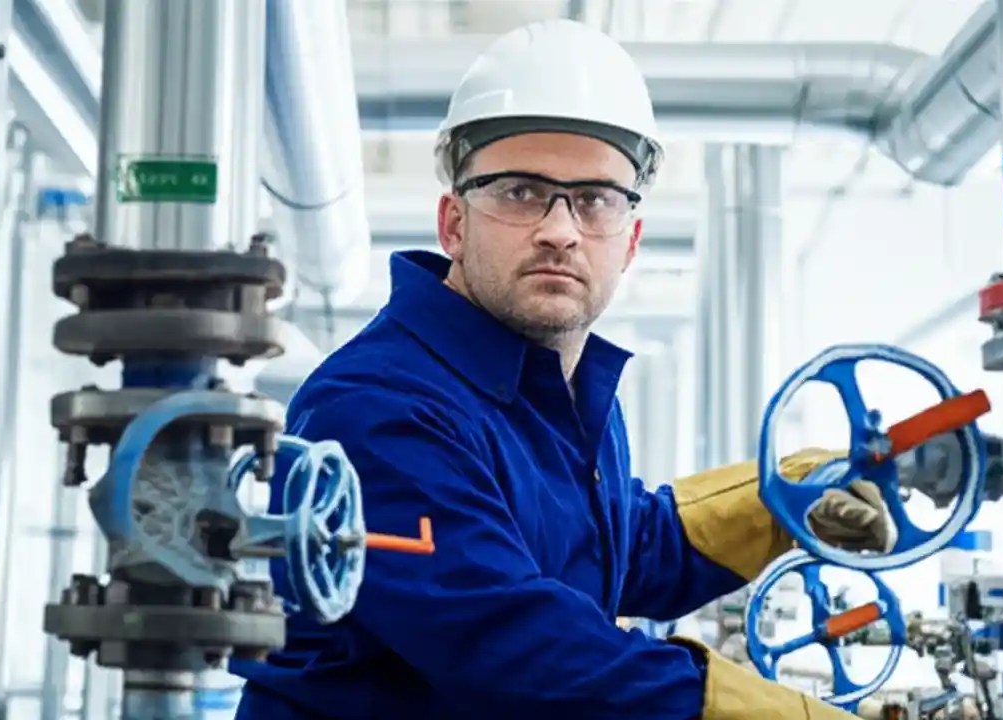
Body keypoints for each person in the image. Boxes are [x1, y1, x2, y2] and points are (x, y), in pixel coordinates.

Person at [231, 18, 895, 720]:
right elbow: (515, 647)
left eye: (595, 199)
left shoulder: (561, 390)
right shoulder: (377, 406)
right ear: (453, 223)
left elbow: (622, 548)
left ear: (630, 240)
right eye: (520, 192)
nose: (559, 230)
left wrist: (783, 498)